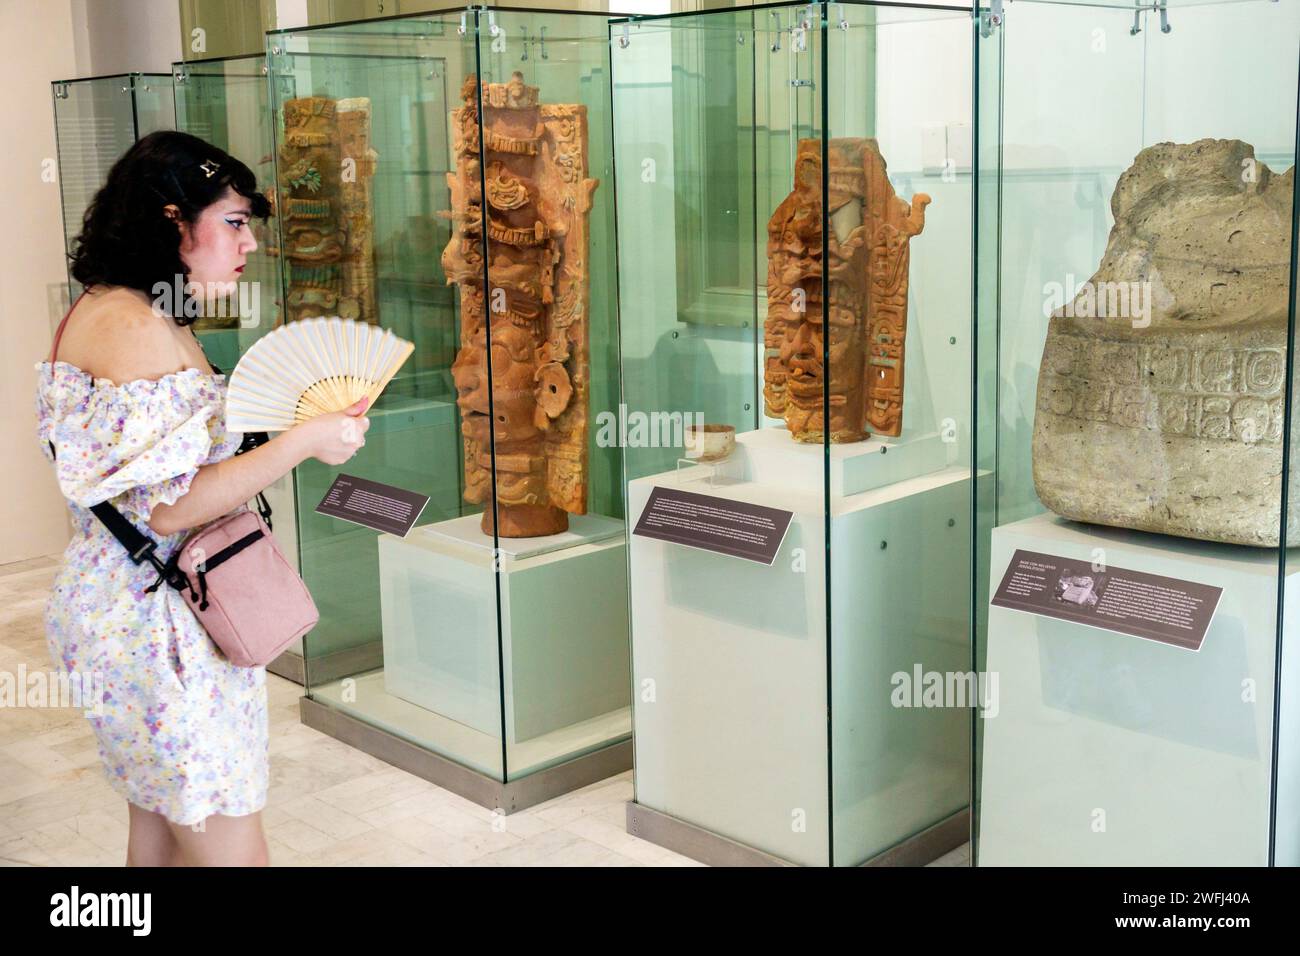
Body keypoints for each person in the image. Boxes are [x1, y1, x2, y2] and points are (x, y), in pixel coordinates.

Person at [35, 130, 369, 866]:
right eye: (234, 222)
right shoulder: (138, 330)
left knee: (160, 831)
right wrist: (305, 440)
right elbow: (168, 508)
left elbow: (155, 479)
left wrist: (278, 431)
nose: (249, 245)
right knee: (229, 847)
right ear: (171, 221)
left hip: (125, 604)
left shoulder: (108, 308)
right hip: (160, 621)